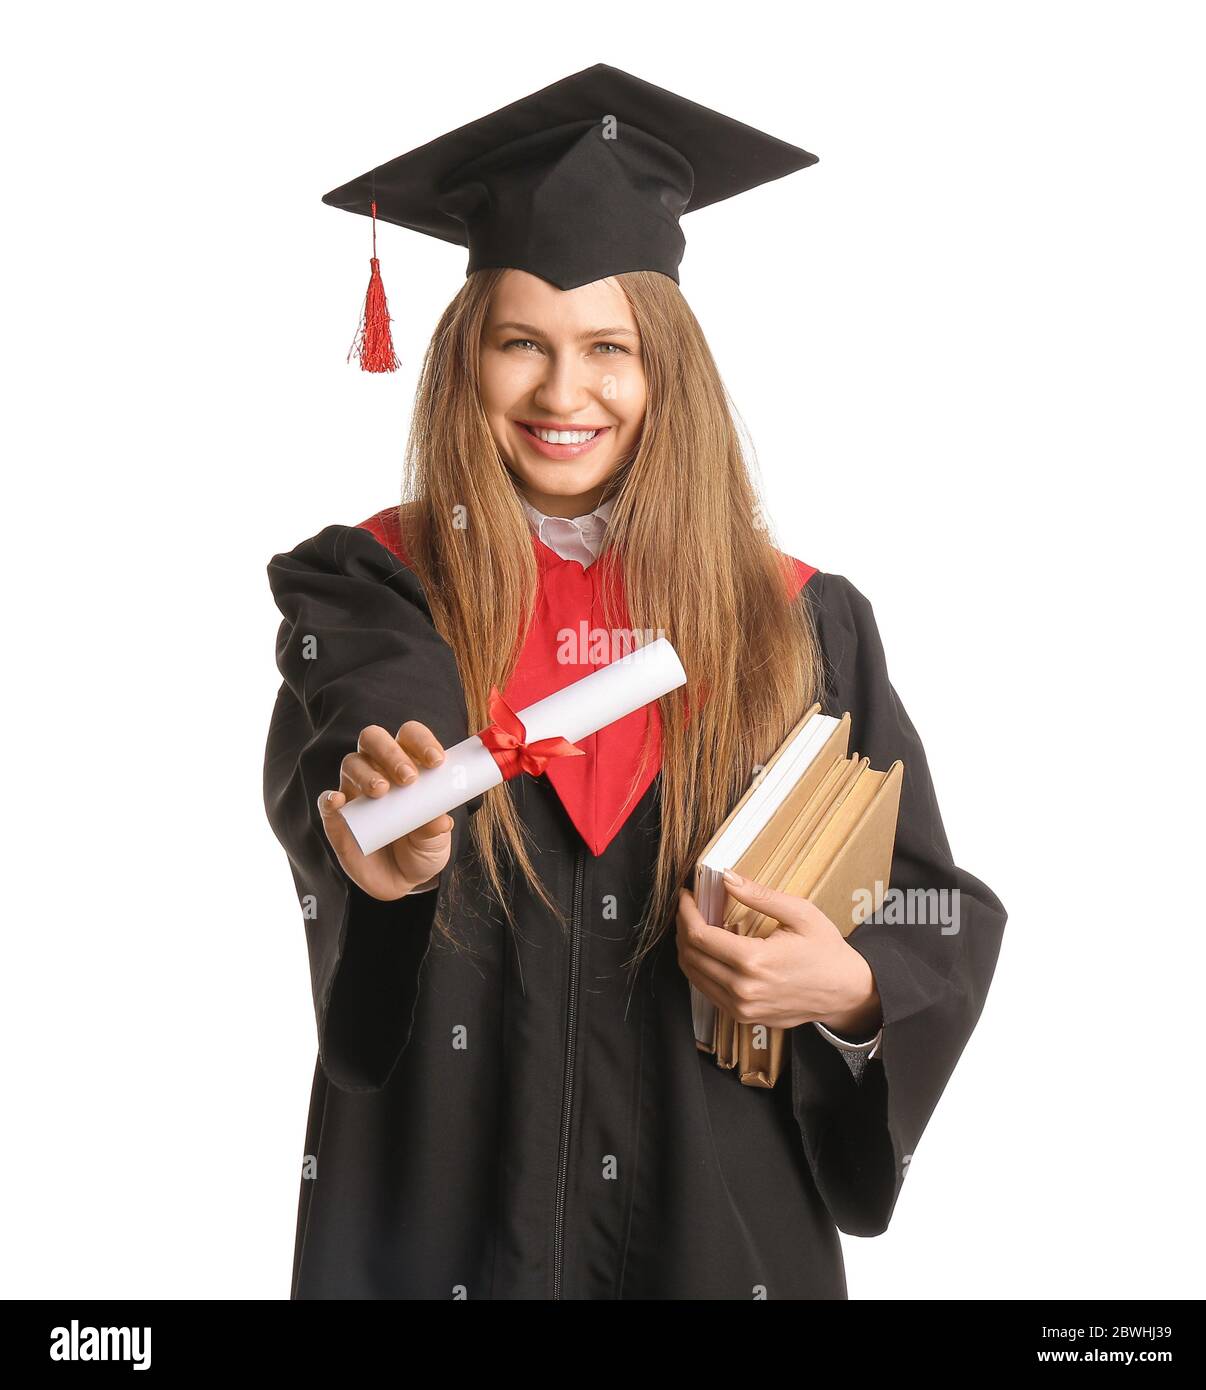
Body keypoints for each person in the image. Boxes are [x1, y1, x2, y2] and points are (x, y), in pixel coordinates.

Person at [264, 64, 1007, 1300]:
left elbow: (932, 902)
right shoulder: (375, 593)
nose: (564, 393)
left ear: (666, 366)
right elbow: (368, 734)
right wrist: (392, 827)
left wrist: (854, 986)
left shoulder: (799, 621)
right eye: (520, 344)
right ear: (464, 361)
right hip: (440, 1232)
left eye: (607, 347)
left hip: (714, 1240)